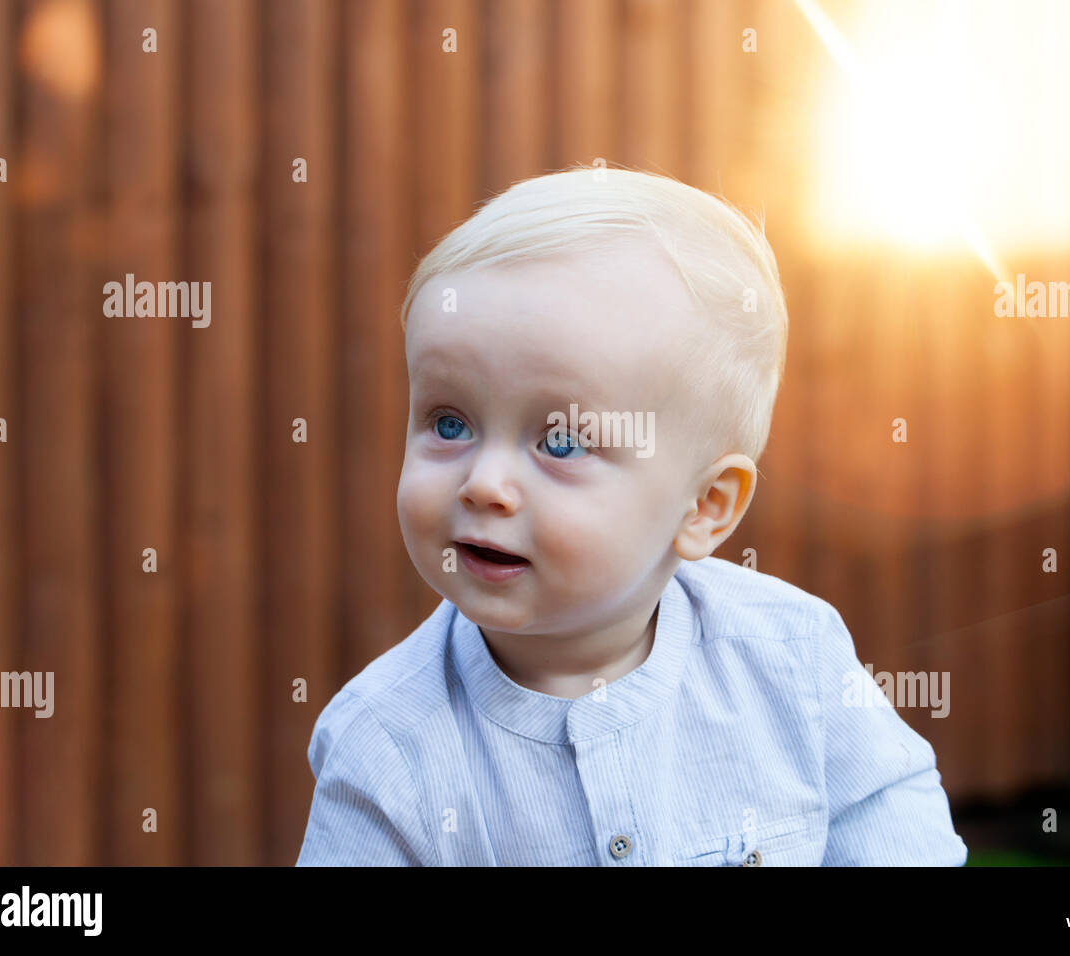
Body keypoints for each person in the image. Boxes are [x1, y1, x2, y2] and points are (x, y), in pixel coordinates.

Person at [296, 164, 966, 866]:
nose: (484, 483)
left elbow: (899, 833)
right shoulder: (386, 744)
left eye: (560, 441)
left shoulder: (791, 657)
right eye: (450, 422)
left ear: (705, 506)